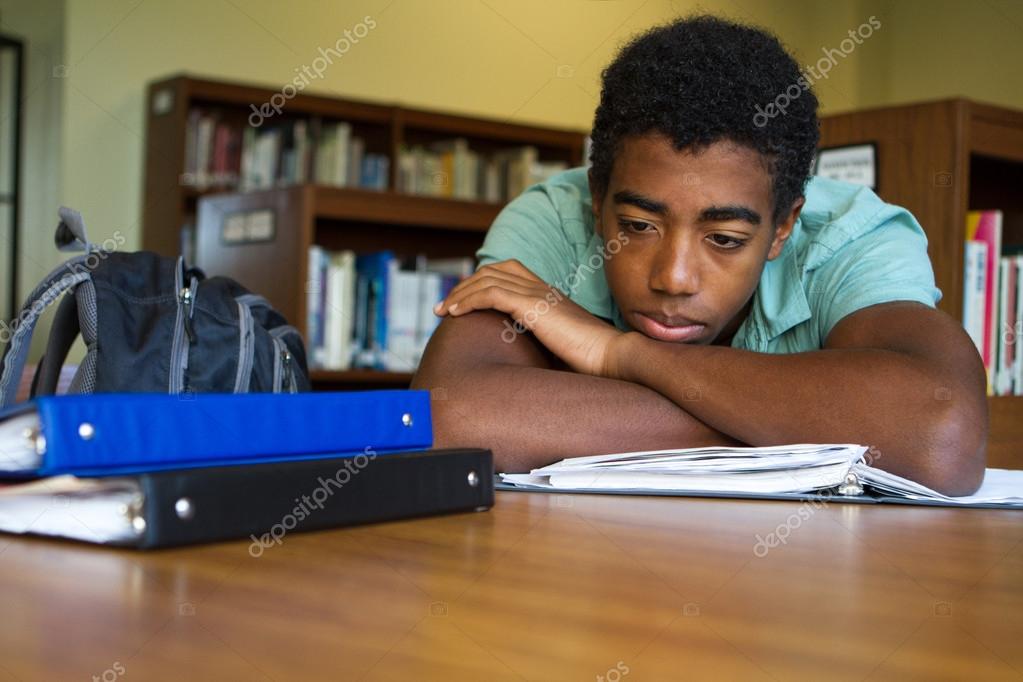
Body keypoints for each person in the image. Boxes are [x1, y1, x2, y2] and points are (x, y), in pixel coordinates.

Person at [412, 15, 986, 495]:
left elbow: (942, 432)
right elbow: (450, 414)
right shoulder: (553, 219)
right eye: (637, 226)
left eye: (726, 239)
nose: (674, 278)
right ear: (596, 201)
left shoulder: (851, 236)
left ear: (784, 225)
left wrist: (619, 354)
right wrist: (788, 425)